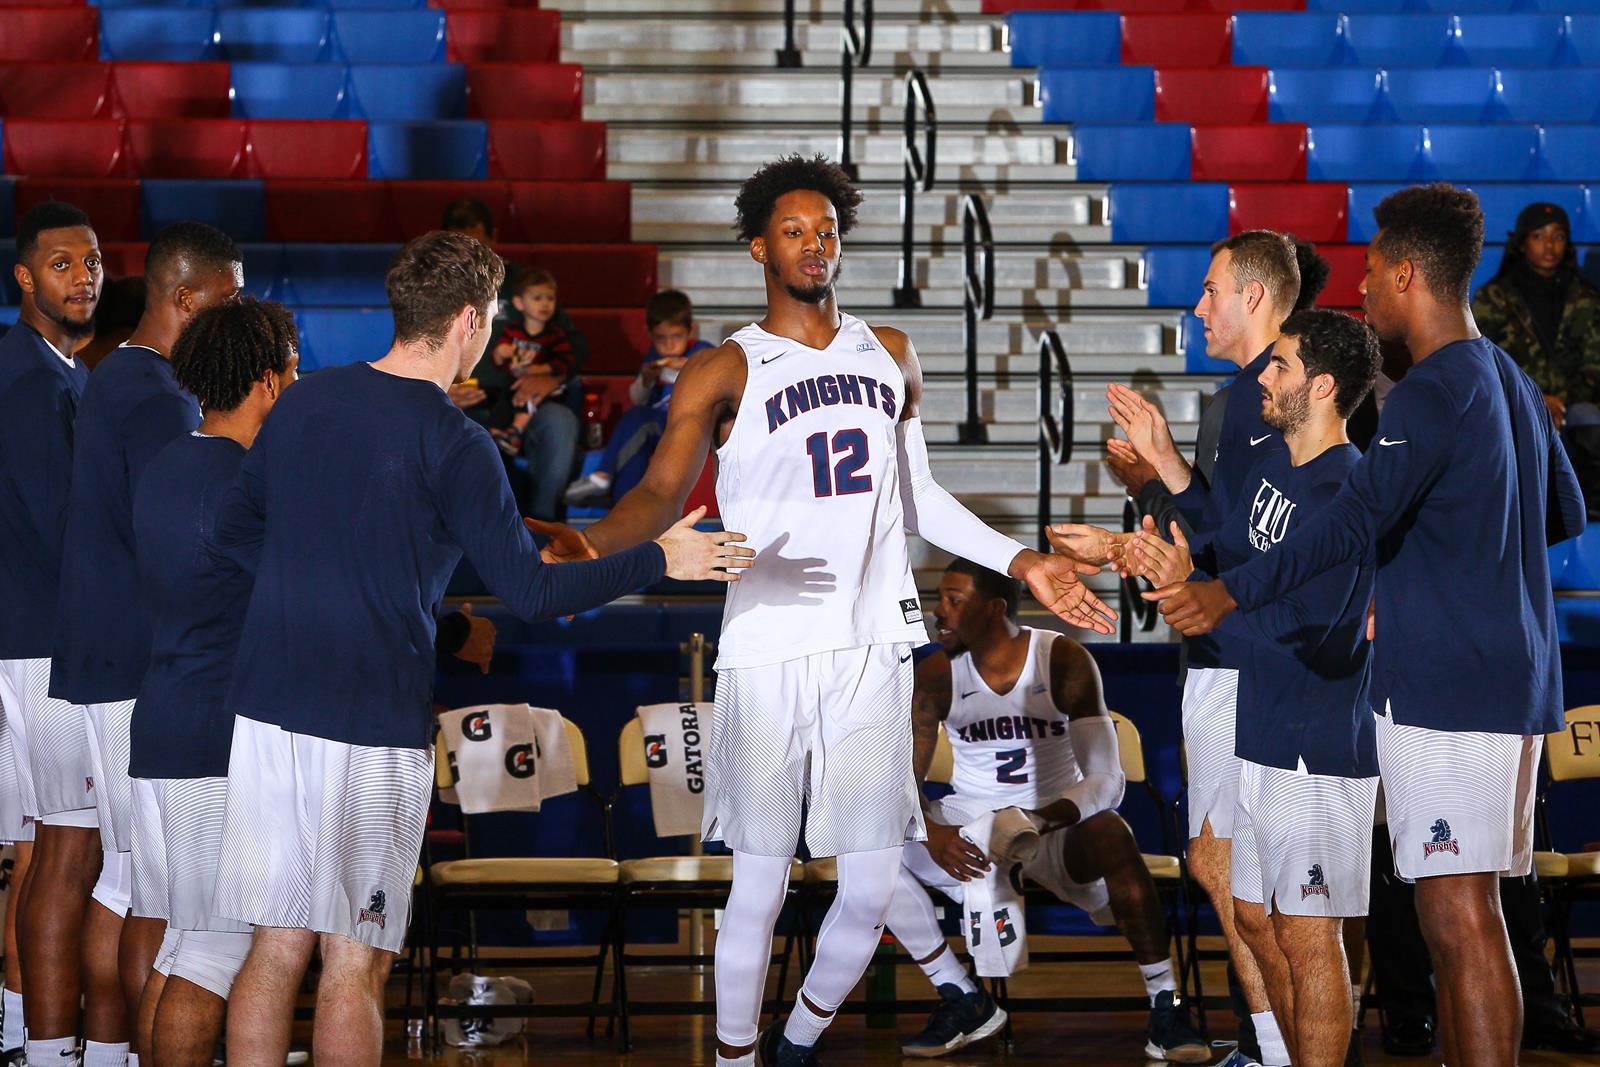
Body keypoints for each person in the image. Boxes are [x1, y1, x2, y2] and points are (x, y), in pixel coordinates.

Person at [539, 154, 1115, 1067]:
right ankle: (734, 1060)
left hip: (872, 647)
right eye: (795, 231)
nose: (815, 244)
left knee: (874, 883)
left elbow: (922, 498)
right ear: (759, 247)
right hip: (768, 648)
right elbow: (657, 491)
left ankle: (795, 1043)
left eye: (827, 230)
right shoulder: (725, 367)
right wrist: (594, 542)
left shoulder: (889, 350)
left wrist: (1024, 559)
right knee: (759, 890)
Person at [205, 231, 749, 1067]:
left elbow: (234, 532)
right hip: (370, 719)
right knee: (352, 959)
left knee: (275, 948)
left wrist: (313, 594)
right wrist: (659, 558)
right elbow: (532, 593)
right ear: (469, 319)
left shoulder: (308, 400)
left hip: (268, 709)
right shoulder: (455, 441)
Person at [1149, 184, 1587, 1067]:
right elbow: (1565, 510)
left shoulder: (1430, 388)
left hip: (1452, 682)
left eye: (1375, 271)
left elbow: (1350, 522)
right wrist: (1457, 553)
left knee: (1458, 913)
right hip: (1510, 672)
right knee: (1458, 909)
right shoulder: (1506, 373)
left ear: (1411, 274)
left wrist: (1227, 593)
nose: (1363, 288)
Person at [1058, 230, 1315, 1067]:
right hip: (1231, 655)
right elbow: (1225, 535)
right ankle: (1276, 1044)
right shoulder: (1242, 396)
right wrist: (1164, 472)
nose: (1198, 306)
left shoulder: (1271, 396)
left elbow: (1243, 554)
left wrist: (1138, 528)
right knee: (1228, 869)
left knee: (1255, 879)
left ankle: (1287, 1048)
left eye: (1211, 290)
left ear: (1254, 296)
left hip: (1247, 660)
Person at [1128, 310, 1382, 1067]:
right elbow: (1224, 543)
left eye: (1280, 366)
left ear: (1323, 387)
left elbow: (1307, 633)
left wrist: (1192, 601)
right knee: (1252, 915)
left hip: (1315, 740)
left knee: (1308, 934)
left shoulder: (1346, 492)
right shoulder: (1275, 459)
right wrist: (1152, 512)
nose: (1262, 377)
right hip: (1259, 723)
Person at [51, 220, 244, 1067]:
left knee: (128, 879)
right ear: (186, 299)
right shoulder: (160, 397)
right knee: (150, 894)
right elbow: (186, 539)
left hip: (109, 657)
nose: (238, 317)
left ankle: (113, 1053)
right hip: (137, 664)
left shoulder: (120, 375)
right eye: (230, 300)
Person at [884, 559, 1208, 1063]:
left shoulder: (1060, 659)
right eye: (939, 599)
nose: (938, 612)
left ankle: (1166, 1005)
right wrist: (930, 830)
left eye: (954, 601)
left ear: (994, 609)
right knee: (871, 848)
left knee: (1112, 833)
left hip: (1052, 822)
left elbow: (1106, 779)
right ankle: (962, 996)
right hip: (972, 827)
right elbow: (902, 783)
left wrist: (1038, 820)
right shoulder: (936, 673)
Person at [129, 298, 299, 1067]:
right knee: (214, 949)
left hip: (165, 721)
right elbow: (297, 600)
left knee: (185, 944)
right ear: (266, 381)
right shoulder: (238, 481)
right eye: (292, 371)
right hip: (212, 734)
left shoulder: (169, 462)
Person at [0, 201, 105, 1067]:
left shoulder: (50, 368)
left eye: (93, 261)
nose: (84, 277)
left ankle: (20, 1033)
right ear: (25, 277)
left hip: (31, 638)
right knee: (67, 853)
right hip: (44, 644)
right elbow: (62, 528)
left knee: (38, 848)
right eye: (63, 264)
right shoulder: (34, 380)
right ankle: (47, 1047)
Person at [1472, 201, 1600, 518]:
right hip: (1514, 405)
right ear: (1522, 243)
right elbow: (1481, 363)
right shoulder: (1493, 299)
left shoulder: (1587, 299)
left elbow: (1594, 365)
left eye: (1558, 236)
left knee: (1591, 422)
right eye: (1539, 236)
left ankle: (1589, 508)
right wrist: (1538, 401)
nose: (1549, 246)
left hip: (1573, 407)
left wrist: (1559, 402)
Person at [567, 289, 716, 505]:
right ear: (650, 335)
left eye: (676, 336)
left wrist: (686, 368)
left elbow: (715, 387)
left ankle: (604, 474)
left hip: (691, 424)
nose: (669, 345)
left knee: (639, 420)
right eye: (661, 338)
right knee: (635, 438)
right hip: (658, 424)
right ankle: (625, 506)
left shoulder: (703, 353)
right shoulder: (653, 358)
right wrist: (645, 380)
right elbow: (638, 398)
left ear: (690, 331)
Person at [468, 267, 582, 519]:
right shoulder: (513, 331)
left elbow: (573, 353)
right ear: (520, 303)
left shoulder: (552, 328)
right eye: (537, 298)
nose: (544, 303)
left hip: (535, 396)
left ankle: (543, 520)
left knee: (559, 422)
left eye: (549, 298)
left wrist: (548, 376)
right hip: (474, 397)